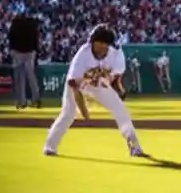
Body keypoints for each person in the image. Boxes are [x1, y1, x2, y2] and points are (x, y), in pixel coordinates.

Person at [43, 24, 145, 157]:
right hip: (78, 83)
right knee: (68, 113)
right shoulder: (83, 54)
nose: (102, 47)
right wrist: (84, 110)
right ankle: (50, 146)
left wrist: (119, 89)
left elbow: (116, 76)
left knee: (120, 109)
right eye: (99, 43)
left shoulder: (116, 53)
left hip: (98, 84)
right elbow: (74, 85)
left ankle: (134, 145)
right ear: (92, 42)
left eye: (105, 44)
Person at [8, 13, 41, 110]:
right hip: (30, 52)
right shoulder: (33, 24)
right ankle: (36, 99)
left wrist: (12, 50)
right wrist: (36, 50)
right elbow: (36, 39)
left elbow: (11, 38)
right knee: (31, 77)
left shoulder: (15, 24)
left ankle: (21, 101)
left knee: (19, 78)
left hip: (18, 52)